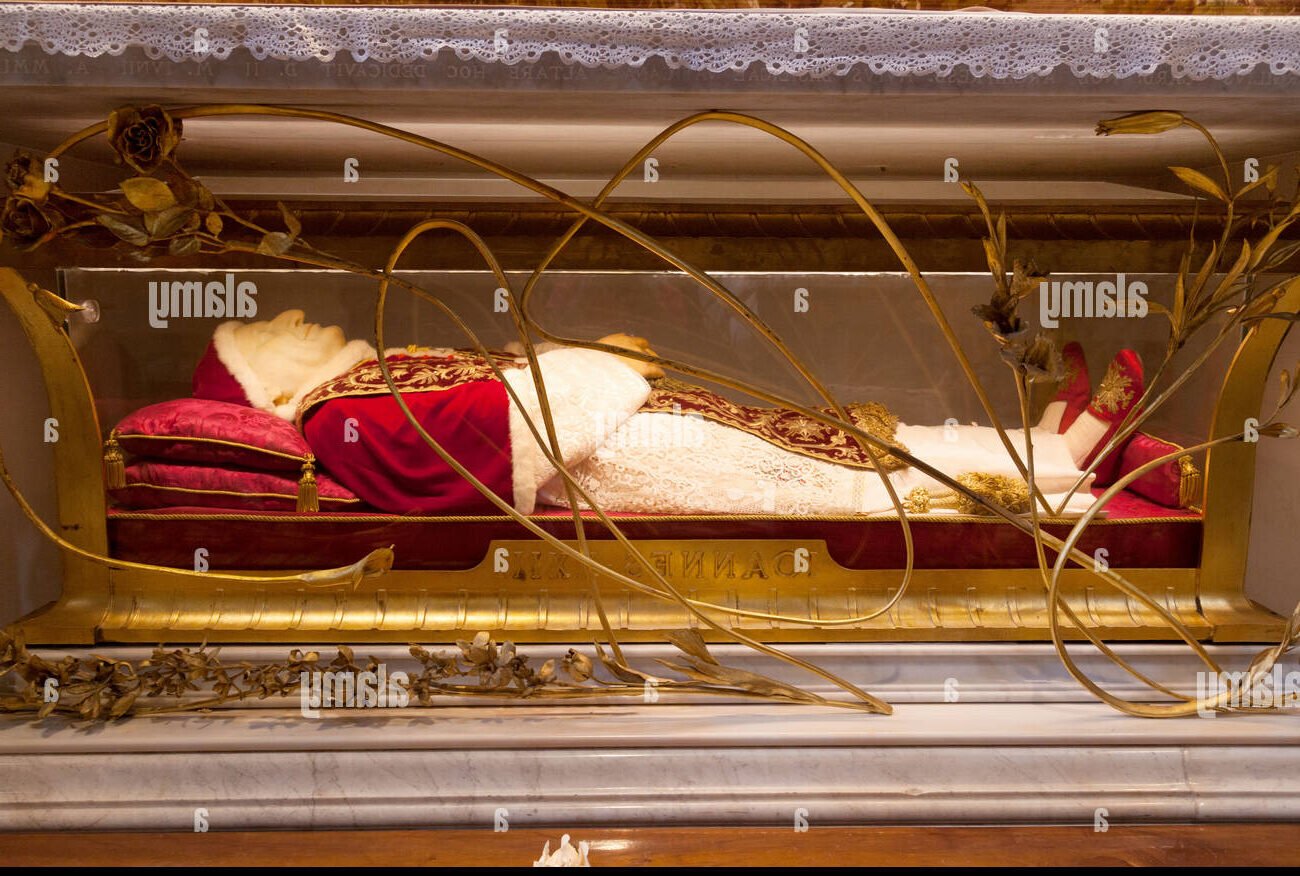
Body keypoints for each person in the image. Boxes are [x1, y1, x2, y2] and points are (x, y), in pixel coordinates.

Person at [192, 311, 1125, 517]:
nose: (292, 319)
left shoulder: (359, 392)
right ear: (260, 380)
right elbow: (505, 431)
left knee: (832, 436)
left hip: (620, 426)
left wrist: (582, 368)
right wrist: (589, 368)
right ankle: (1055, 475)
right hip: (610, 457)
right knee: (839, 473)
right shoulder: (342, 417)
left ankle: (1046, 446)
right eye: (265, 330)